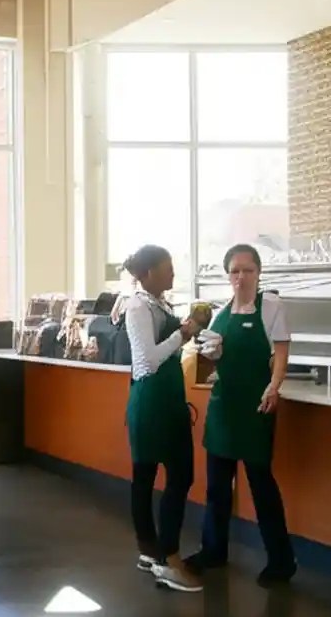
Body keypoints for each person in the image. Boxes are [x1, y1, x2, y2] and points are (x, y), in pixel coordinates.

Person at [187, 244, 297, 586]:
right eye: (234, 270)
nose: (241, 276)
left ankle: (281, 561)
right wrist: (213, 354)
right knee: (218, 487)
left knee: (262, 485)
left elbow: (281, 351)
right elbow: (215, 364)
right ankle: (214, 550)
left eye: (247, 270)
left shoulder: (271, 306)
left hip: (255, 406)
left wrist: (273, 386)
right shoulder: (220, 314)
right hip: (223, 408)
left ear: (259, 272)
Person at [122, 245, 203, 593]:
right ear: (150, 273)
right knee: (168, 475)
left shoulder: (159, 304)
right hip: (151, 402)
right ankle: (167, 559)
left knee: (156, 476)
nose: (173, 274)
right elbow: (147, 362)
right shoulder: (138, 306)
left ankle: (150, 550)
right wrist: (183, 333)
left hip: (168, 401)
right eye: (168, 268)